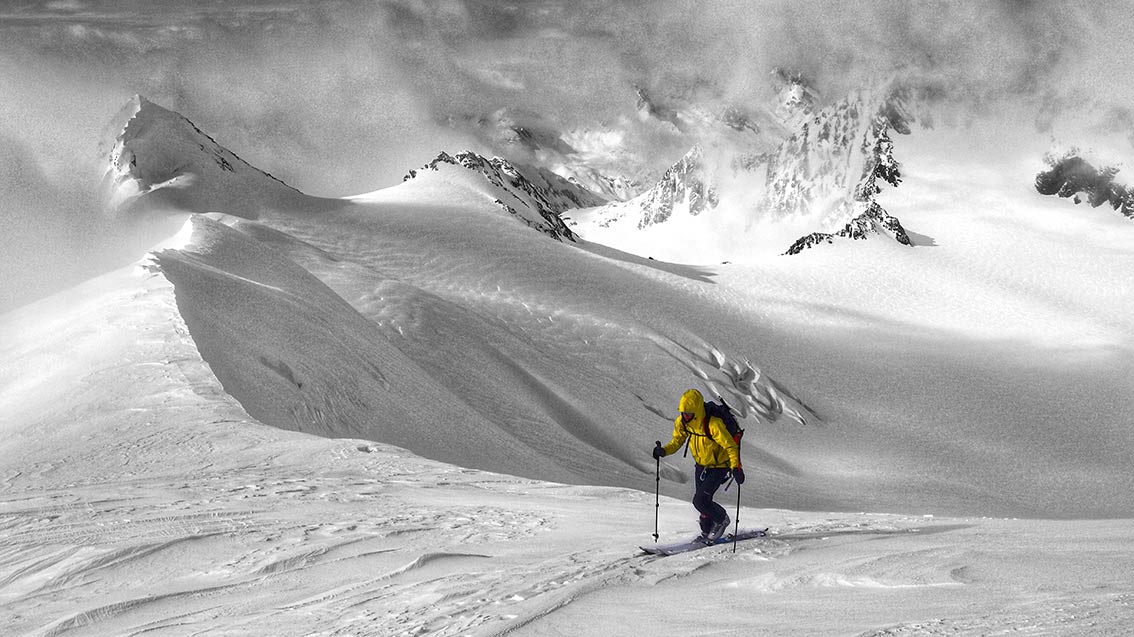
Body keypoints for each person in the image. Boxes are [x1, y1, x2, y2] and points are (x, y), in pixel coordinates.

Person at [653, 388, 745, 542]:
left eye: (688, 413)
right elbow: (677, 441)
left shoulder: (713, 425)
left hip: (719, 467)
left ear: (697, 411)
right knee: (703, 505)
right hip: (701, 466)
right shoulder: (683, 423)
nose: (685, 416)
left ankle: (722, 519)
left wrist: (736, 467)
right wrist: (663, 451)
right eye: (683, 413)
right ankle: (706, 533)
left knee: (700, 501)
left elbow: (730, 446)